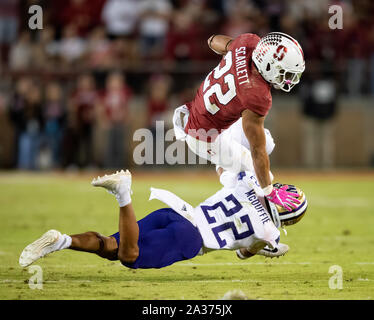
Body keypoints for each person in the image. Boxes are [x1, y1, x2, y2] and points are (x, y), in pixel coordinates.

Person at [19, 169, 307, 269]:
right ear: (289, 217)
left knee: (112, 248)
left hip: (177, 212)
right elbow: (243, 254)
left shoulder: (246, 184)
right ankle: (122, 193)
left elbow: (225, 170)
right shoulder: (272, 233)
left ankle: (61, 241)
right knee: (129, 257)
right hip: (191, 239)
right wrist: (265, 248)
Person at [173, 32, 305, 213]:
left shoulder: (248, 42)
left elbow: (212, 40)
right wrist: (269, 191)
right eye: (285, 73)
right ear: (268, 65)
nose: (288, 79)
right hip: (204, 137)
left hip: (208, 114)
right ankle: (248, 225)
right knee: (260, 178)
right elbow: (256, 151)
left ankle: (226, 170)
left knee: (268, 143)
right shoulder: (256, 95)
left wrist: (232, 50)